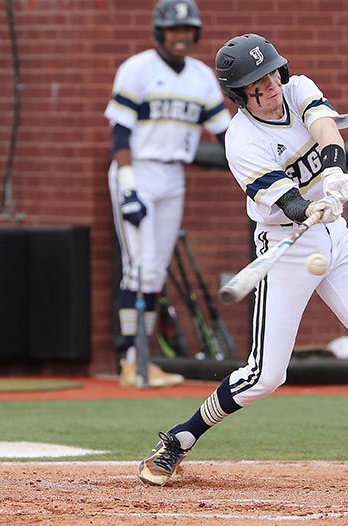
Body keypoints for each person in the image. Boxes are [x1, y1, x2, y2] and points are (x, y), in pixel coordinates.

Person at [135, 34, 348, 496]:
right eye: (257, 82)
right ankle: (180, 438)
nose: (270, 85)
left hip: (336, 238)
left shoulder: (297, 90)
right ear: (241, 94)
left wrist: (334, 174)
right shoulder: (242, 140)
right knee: (266, 375)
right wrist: (307, 207)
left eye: (272, 73)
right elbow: (289, 204)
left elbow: (325, 129)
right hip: (285, 244)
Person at [105, 0, 230, 385]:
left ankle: (142, 359)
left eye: (188, 30)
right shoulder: (137, 68)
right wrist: (127, 189)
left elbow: (225, 132)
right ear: (160, 32)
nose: (181, 37)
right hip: (137, 170)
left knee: (155, 270)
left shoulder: (202, 77)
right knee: (138, 266)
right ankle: (130, 359)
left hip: (174, 174)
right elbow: (120, 135)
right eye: (174, 30)